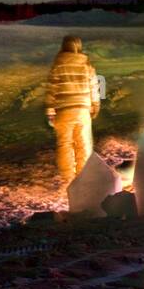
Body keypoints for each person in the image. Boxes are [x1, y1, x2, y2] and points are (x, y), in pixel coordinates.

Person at [45, 35, 101, 182]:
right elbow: (94, 87)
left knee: (65, 144)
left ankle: (68, 179)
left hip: (63, 112)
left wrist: (50, 111)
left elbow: (52, 90)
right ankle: (84, 178)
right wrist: (95, 106)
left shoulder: (58, 65)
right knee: (83, 145)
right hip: (82, 110)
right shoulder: (87, 65)